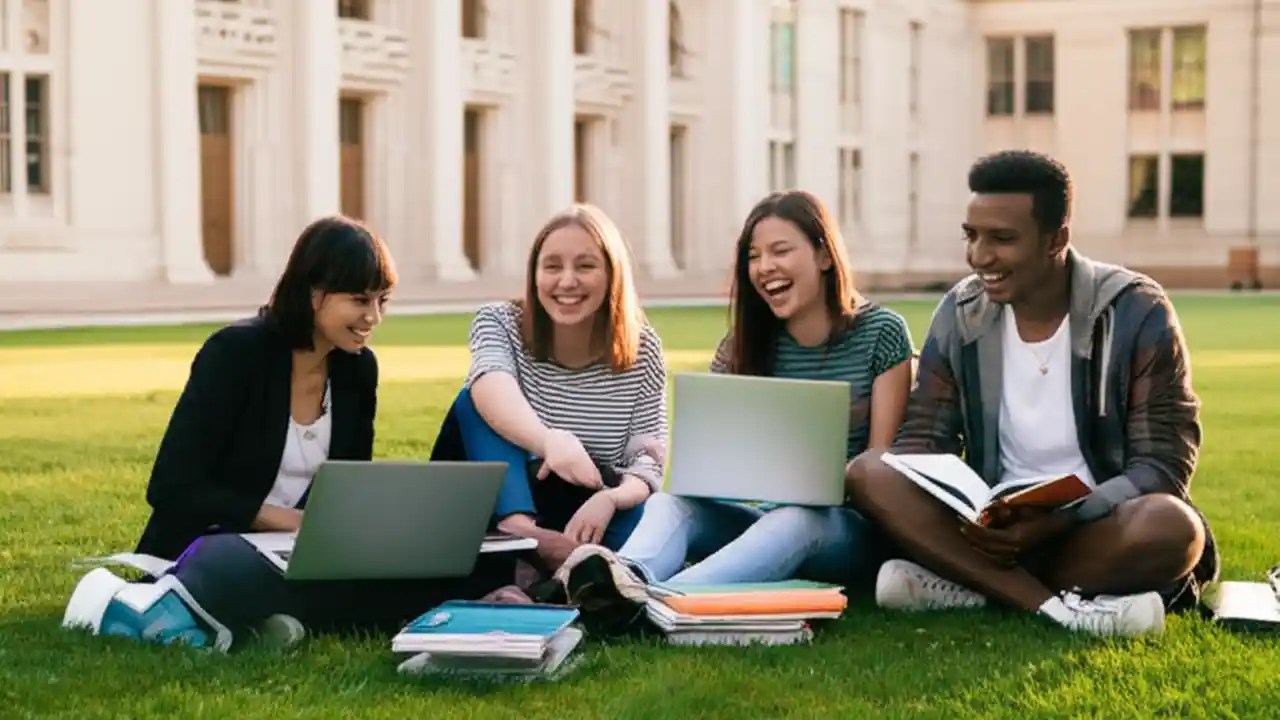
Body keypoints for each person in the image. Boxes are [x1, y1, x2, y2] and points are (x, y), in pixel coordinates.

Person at [63, 216, 512, 651]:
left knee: (447, 564)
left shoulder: (357, 369)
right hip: (214, 542)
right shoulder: (235, 354)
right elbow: (172, 487)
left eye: (383, 301)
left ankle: (261, 620)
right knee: (230, 564)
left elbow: (347, 482)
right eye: (360, 300)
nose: (374, 316)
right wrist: (282, 520)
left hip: (301, 553)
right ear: (313, 292)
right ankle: (242, 611)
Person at [845, 150, 1218, 637]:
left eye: (1002, 239)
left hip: (1092, 528)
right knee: (871, 471)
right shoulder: (962, 312)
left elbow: (1162, 468)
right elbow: (922, 443)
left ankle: (972, 587)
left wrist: (1061, 521)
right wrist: (968, 513)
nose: (979, 256)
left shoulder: (1135, 311)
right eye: (971, 236)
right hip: (990, 528)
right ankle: (1058, 607)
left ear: (1056, 239)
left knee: (1173, 528)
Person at [555, 190, 914, 622]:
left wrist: (819, 481)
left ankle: (659, 603)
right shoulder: (743, 344)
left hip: (844, 530)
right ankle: (625, 578)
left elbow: (880, 472)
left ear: (823, 255)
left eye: (780, 251)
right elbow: (706, 463)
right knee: (671, 503)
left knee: (796, 518)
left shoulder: (882, 333)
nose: (765, 268)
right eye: (754, 256)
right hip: (759, 521)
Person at [429, 203, 668, 575]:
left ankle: (534, 569)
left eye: (585, 266)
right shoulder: (500, 321)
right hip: (496, 495)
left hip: (580, 503)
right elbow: (490, 384)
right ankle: (521, 534)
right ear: (535, 274)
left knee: (649, 521)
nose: (567, 281)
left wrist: (610, 498)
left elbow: (648, 459)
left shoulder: (643, 349)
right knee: (474, 400)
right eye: (552, 266)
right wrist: (550, 442)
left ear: (611, 275)